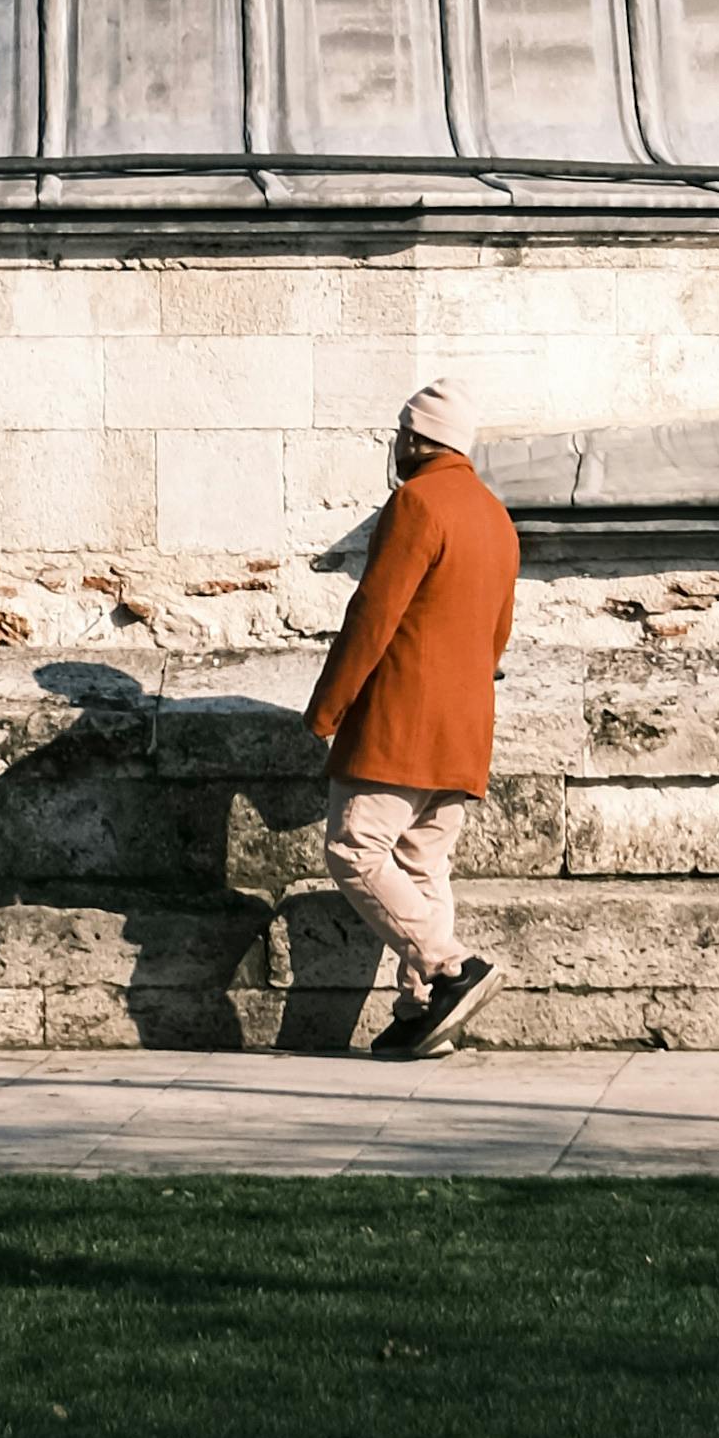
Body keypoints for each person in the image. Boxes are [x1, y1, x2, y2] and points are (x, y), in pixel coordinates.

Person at [304, 381, 520, 1056]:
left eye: (402, 434)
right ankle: (424, 1014)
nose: (396, 446)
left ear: (421, 439)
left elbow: (373, 614)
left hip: (402, 714)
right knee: (423, 866)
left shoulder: (417, 503)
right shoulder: (495, 516)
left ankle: (450, 968)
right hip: (465, 720)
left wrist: (328, 707)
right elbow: (498, 633)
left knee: (354, 846)